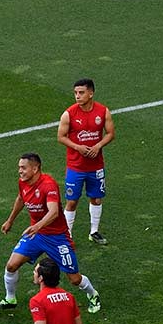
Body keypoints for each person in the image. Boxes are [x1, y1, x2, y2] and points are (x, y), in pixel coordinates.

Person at [0, 153, 100, 315]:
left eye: (23, 167)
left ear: (35, 168)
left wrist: (37, 226)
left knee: (74, 279)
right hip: (37, 234)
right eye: (19, 167)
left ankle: (93, 294)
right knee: (11, 265)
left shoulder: (48, 185)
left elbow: (54, 212)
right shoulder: (23, 182)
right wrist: (10, 220)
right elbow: (21, 198)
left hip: (57, 237)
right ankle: (10, 298)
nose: (20, 171)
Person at [57, 78, 115, 245]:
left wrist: (98, 145)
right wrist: (78, 147)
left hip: (96, 166)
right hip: (76, 167)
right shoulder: (69, 114)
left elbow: (110, 133)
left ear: (91, 93)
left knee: (96, 198)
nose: (77, 96)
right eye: (75, 93)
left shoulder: (103, 111)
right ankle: (67, 236)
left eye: (81, 93)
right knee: (72, 201)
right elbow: (60, 137)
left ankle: (94, 231)